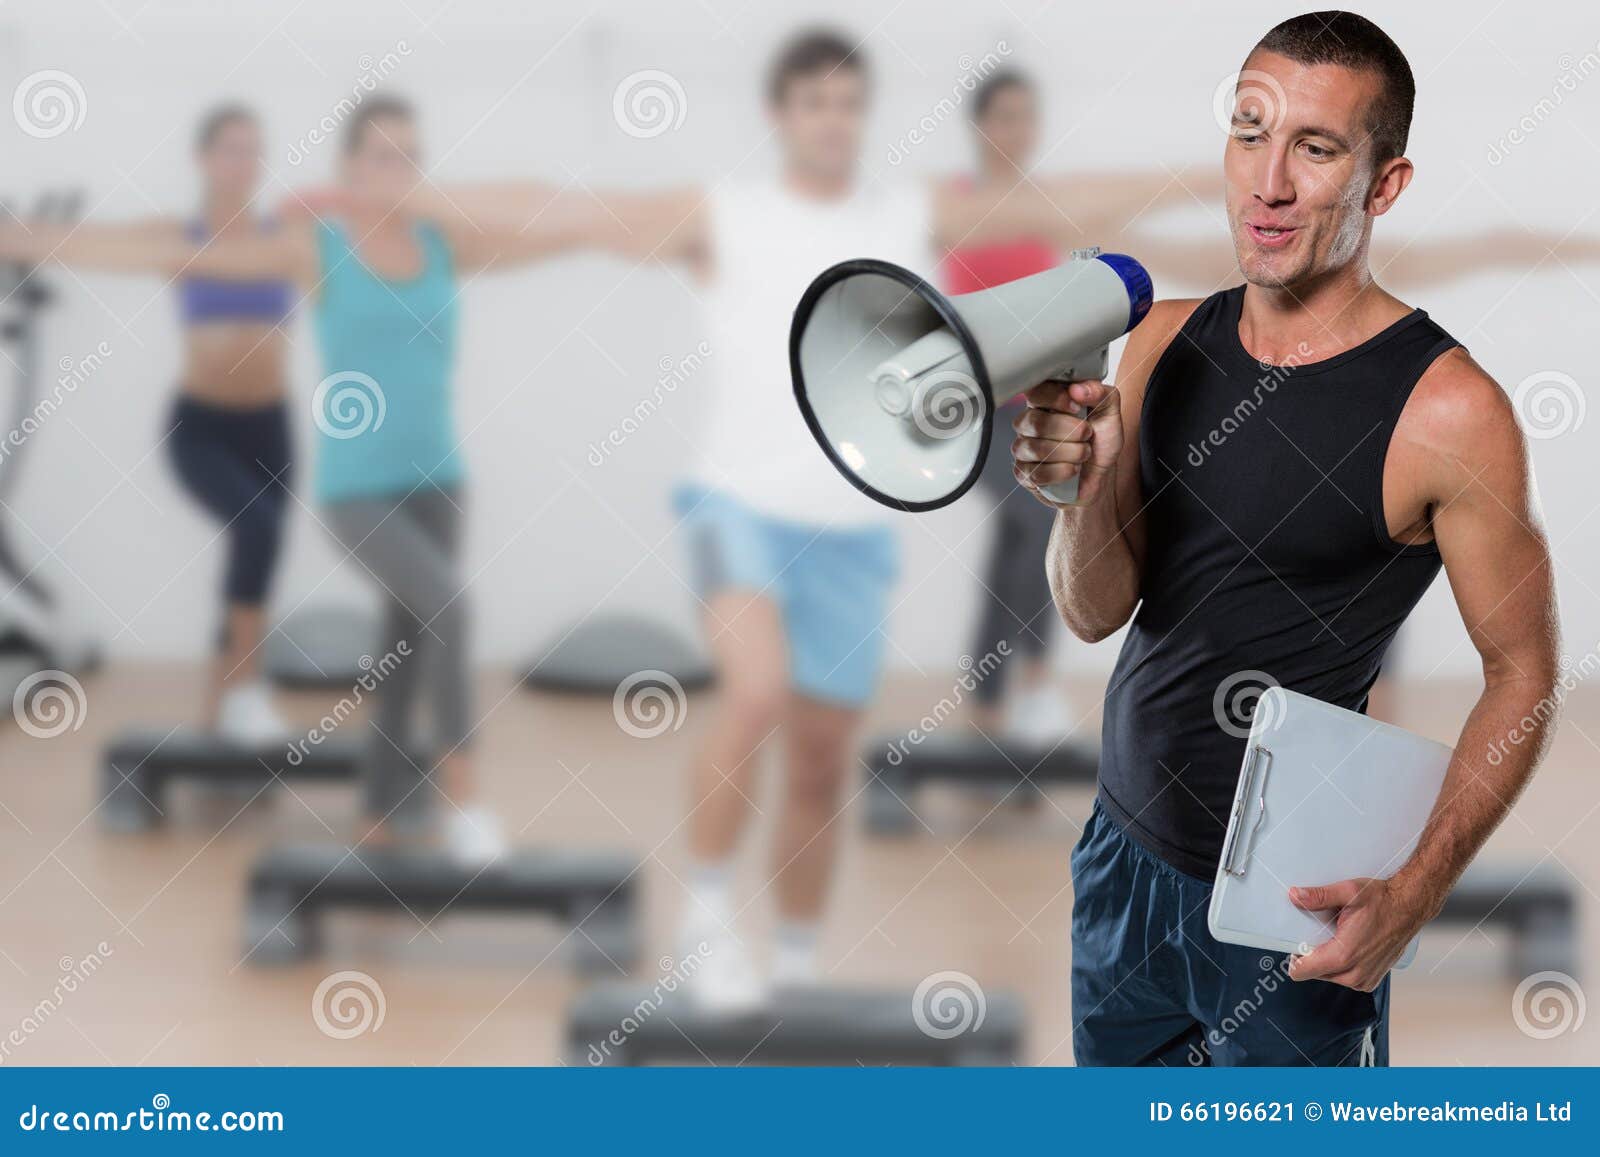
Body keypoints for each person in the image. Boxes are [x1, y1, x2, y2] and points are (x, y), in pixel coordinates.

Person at [406, 29, 1238, 1009]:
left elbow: (1065, 205)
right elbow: (573, 213)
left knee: (818, 758)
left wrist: (1215, 173)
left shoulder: (904, 212)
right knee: (754, 693)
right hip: (737, 507)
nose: (832, 121)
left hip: (853, 528)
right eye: (814, 103)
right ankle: (706, 921)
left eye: (847, 103)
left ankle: (794, 960)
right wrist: (411, 198)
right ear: (780, 114)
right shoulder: (724, 212)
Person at [1011, 11, 1560, 1065]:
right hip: (1120, 862)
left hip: (1292, 906)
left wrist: (1416, 891)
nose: (1268, 183)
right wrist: (1083, 488)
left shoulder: (1449, 411)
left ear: (1384, 184)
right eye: (1249, 132)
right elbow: (1093, 612)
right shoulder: (1158, 340)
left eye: (1314, 148)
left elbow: (1523, 672)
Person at [1, 96, 567, 864]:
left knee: (408, 642)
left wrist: (635, 229)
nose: (398, 171)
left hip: (440, 481)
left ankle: (379, 813)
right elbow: (164, 252)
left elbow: (544, 217)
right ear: (349, 167)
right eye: (382, 156)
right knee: (450, 608)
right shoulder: (313, 246)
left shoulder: (444, 241)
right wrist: (25, 237)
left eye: (411, 157)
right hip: (357, 488)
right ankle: (466, 806)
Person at [942, 69, 1071, 746]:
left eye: (1026, 116)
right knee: (1039, 523)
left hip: (1037, 403)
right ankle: (1037, 685)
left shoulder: (1045, 205)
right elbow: (968, 309)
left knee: (1014, 540)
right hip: (982, 407)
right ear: (979, 126)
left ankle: (988, 705)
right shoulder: (958, 204)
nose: (1016, 130)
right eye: (1004, 116)